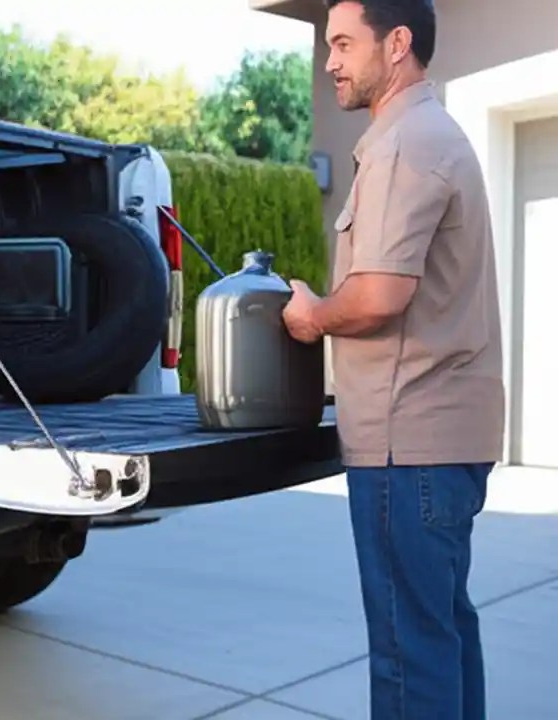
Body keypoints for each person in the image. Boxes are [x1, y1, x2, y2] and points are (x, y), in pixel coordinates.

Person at [281, 1, 503, 718]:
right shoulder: (432, 134)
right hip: (440, 442)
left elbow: (379, 295)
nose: (331, 62)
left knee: (410, 655)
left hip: (407, 445)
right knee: (439, 635)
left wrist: (312, 315)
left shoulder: (404, 144)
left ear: (397, 43)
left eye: (345, 44)